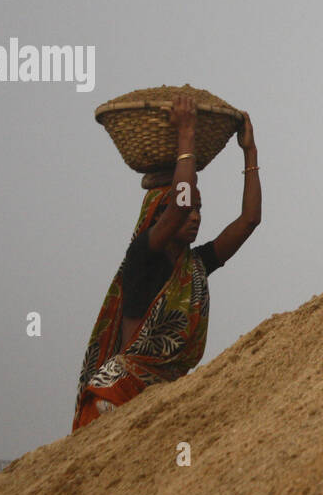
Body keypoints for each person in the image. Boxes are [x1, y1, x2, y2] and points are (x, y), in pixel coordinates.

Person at [72, 94, 261, 432]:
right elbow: (181, 200)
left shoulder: (195, 267)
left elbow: (249, 220)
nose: (194, 216)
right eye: (186, 211)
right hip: (118, 395)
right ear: (156, 219)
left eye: (200, 209)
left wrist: (250, 152)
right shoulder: (143, 255)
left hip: (162, 397)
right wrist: (186, 133)